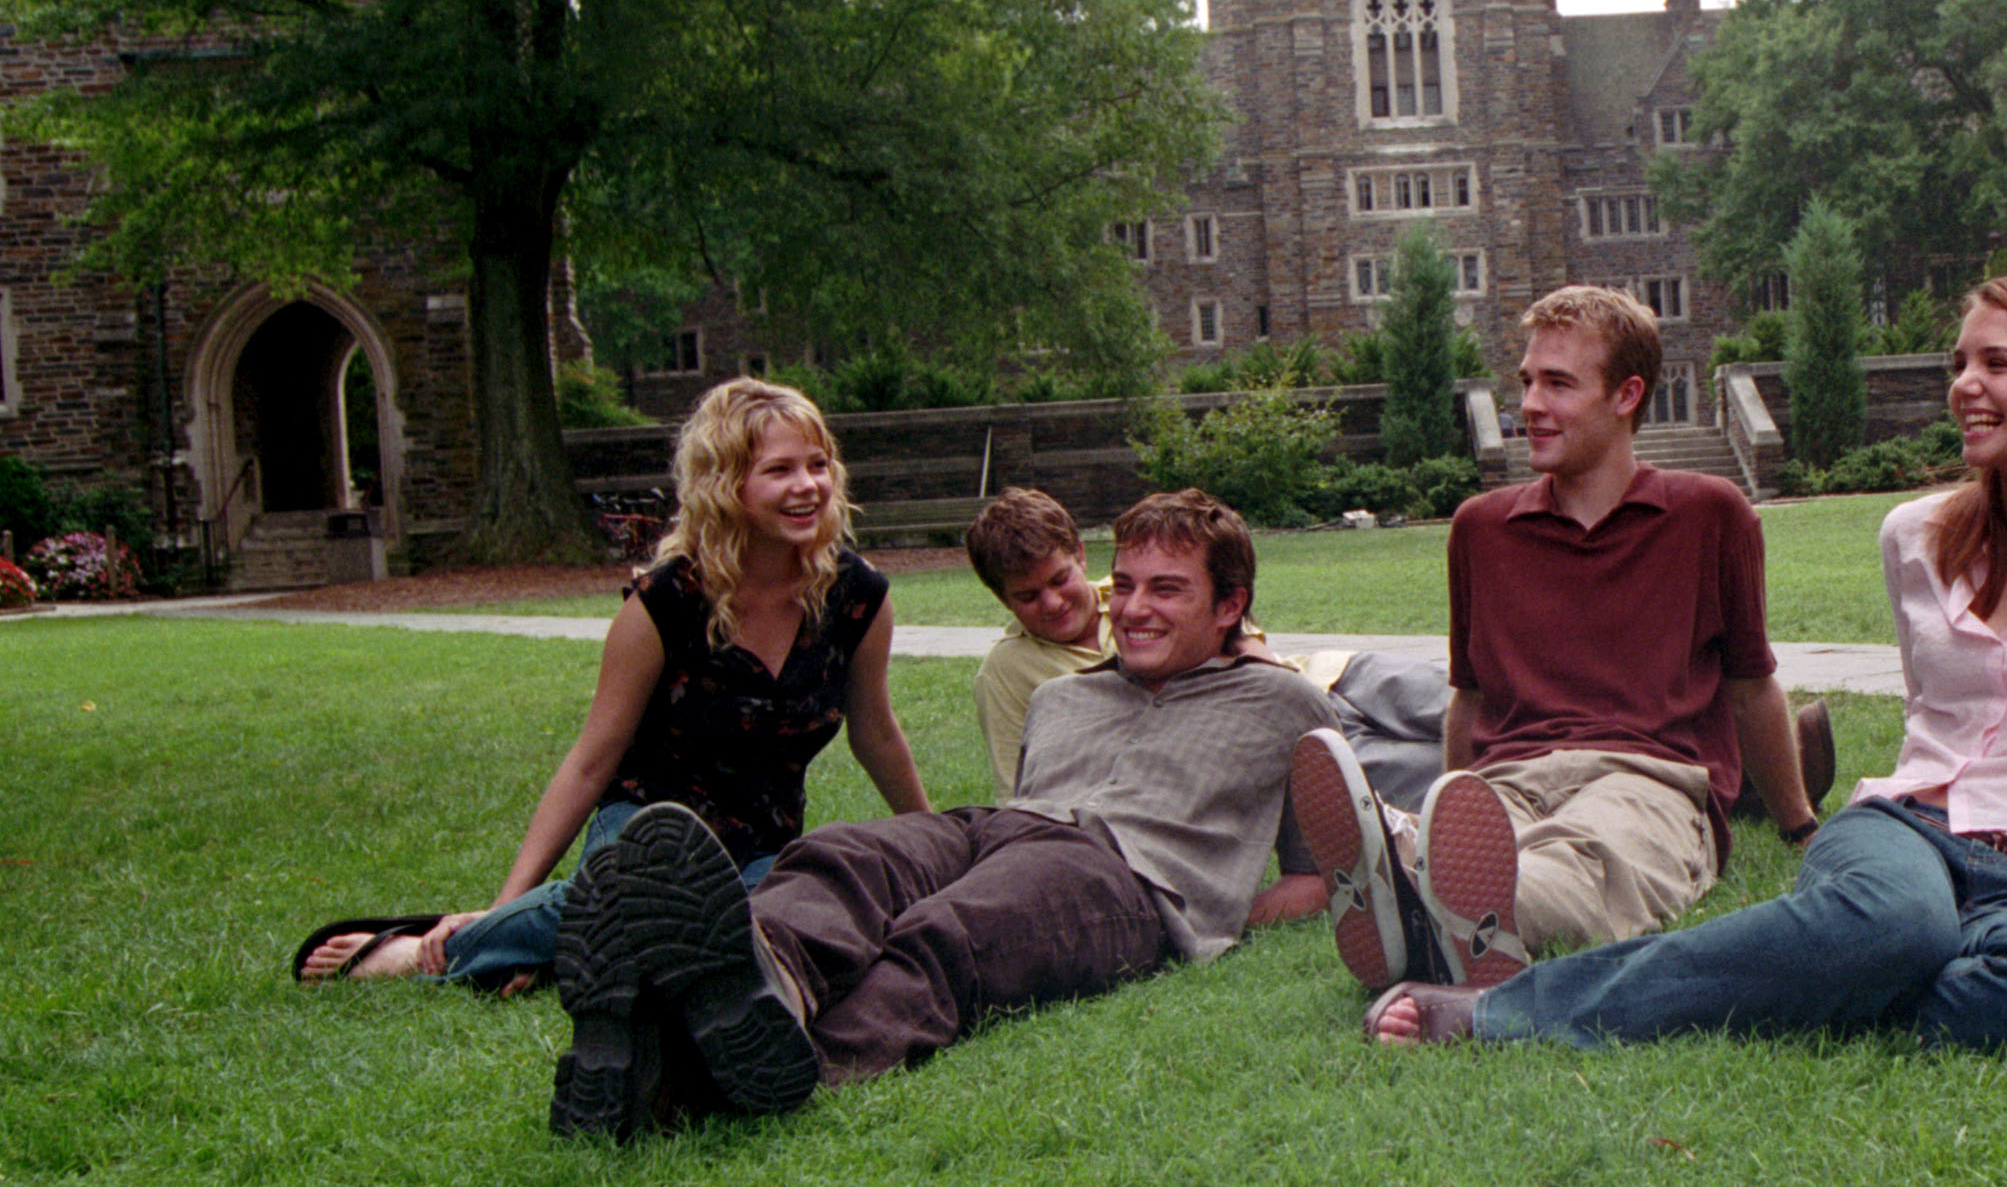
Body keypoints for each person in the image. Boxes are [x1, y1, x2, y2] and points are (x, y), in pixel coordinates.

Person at [1365, 270, 2007, 1053]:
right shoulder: (1914, 533)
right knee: (1897, 924)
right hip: (1901, 830)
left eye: (1998, 363)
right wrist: (1810, 823)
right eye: (1962, 362)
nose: (1965, 384)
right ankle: (1498, 1009)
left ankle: (1816, 992)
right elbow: (1935, 725)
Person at [546, 489, 1338, 1138]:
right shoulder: (1062, 695)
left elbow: (1323, 872)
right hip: (995, 827)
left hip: (1122, 876)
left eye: (1167, 590)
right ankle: (766, 971)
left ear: (1230, 604)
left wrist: (1215, 911)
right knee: (851, 854)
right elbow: (1016, 811)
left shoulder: (1286, 702)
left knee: (956, 929)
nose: (1132, 609)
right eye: (1124, 584)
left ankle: (697, 1065)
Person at [293, 379, 929, 991]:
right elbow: (592, 760)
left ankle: (559, 947)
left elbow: (875, 733)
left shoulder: (855, 598)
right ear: (727, 485)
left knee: (788, 909)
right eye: (780, 470)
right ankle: (431, 951)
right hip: (647, 825)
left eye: (818, 465)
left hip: (760, 846)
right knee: (647, 893)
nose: (807, 486)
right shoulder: (665, 603)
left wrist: (936, 846)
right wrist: (505, 902)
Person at [1293, 283, 1826, 996]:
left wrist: (1798, 826)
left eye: (1558, 384)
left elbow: (1749, 684)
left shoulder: (1711, 515)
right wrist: (1460, 792)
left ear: (1627, 394)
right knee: (1487, 843)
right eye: (1526, 382)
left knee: (1590, 863)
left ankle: (1421, 890)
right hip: (1510, 781)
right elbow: (1469, 700)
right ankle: (1426, 870)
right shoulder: (1481, 529)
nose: (1529, 406)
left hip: (1650, 780)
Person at [966, 484, 1452, 811]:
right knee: (1460, 770)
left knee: (1487, 707)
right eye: (1028, 596)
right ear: (999, 598)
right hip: (1271, 738)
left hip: (1326, 677)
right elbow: (1027, 797)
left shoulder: (1129, 595)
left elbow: (1243, 637)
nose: (1052, 603)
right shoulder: (1010, 673)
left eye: (1060, 579)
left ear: (1079, 554)